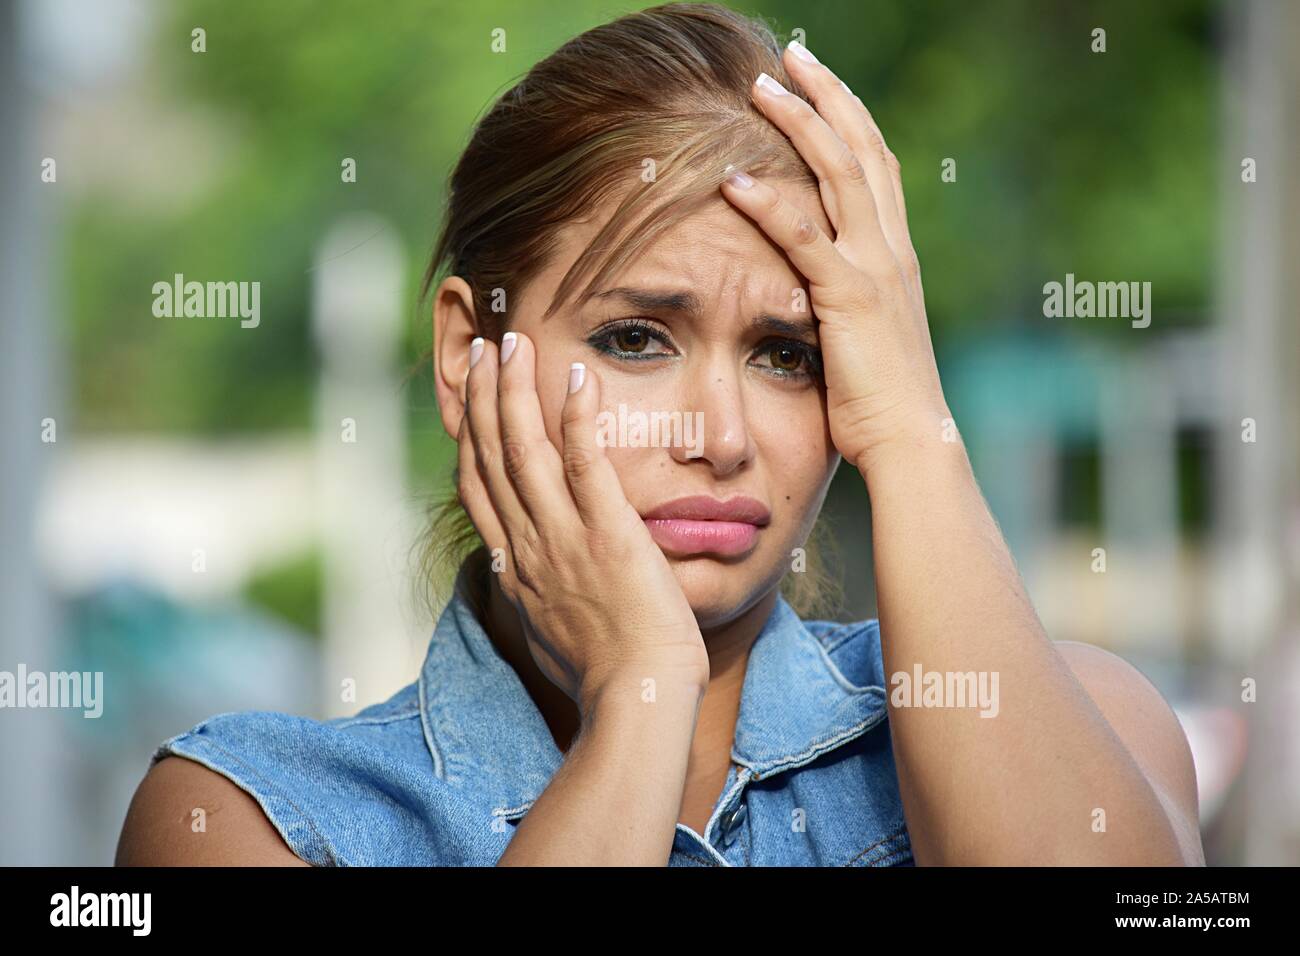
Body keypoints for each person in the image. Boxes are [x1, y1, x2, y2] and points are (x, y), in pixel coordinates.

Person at [117, 2, 1205, 867]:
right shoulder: (256, 814)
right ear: (465, 353)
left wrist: (912, 431)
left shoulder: (1095, 721)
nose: (721, 435)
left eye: (792, 354)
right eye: (636, 336)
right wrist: (638, 696)